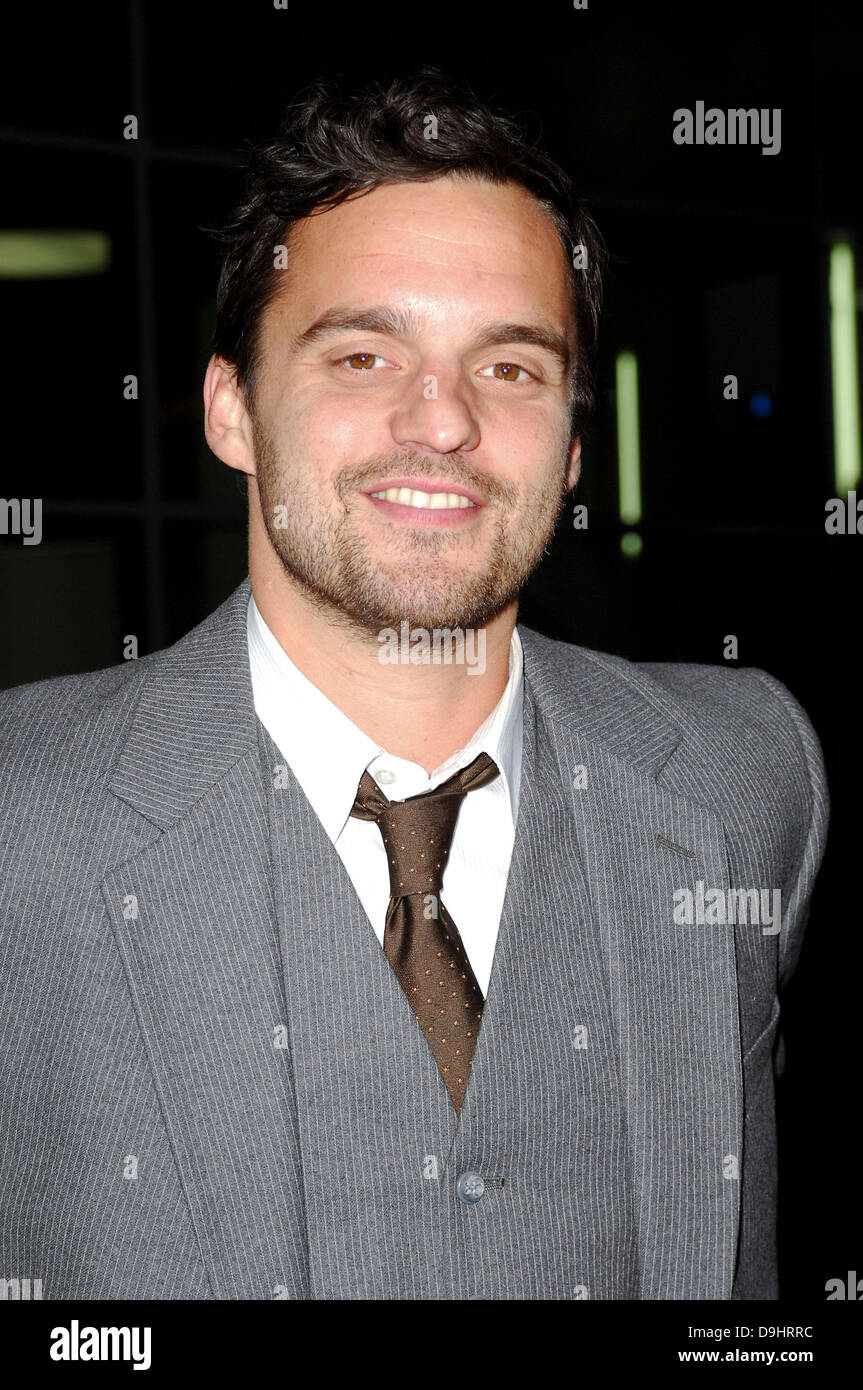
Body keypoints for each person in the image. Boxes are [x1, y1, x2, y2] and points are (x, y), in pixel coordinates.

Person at [0, 67, 828, 1301]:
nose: (438, 421)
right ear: (232, 409)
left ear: (572, 443)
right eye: (362, 355)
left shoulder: (747, 770)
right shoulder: (23, 817)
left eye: (508, 369)